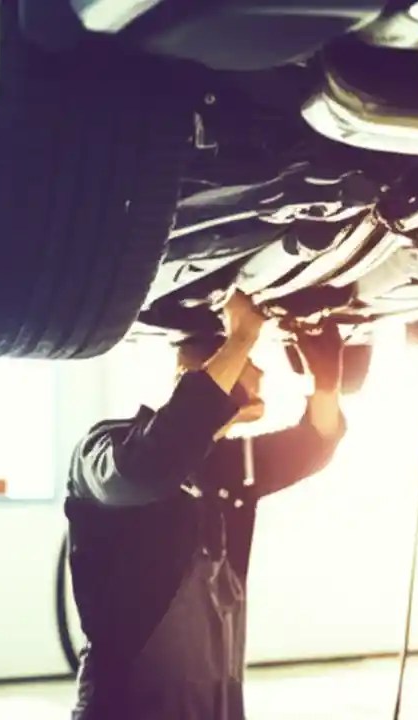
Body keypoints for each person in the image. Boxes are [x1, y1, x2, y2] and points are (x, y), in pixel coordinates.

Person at [65, 290, 346, 720]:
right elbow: (147, 469)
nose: (260, 369)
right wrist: (240, 339)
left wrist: (326, 382)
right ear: (194, 373)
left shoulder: (225, 465)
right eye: (247, 356)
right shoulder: (104, 449)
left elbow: (314, 444)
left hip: (215, 703)